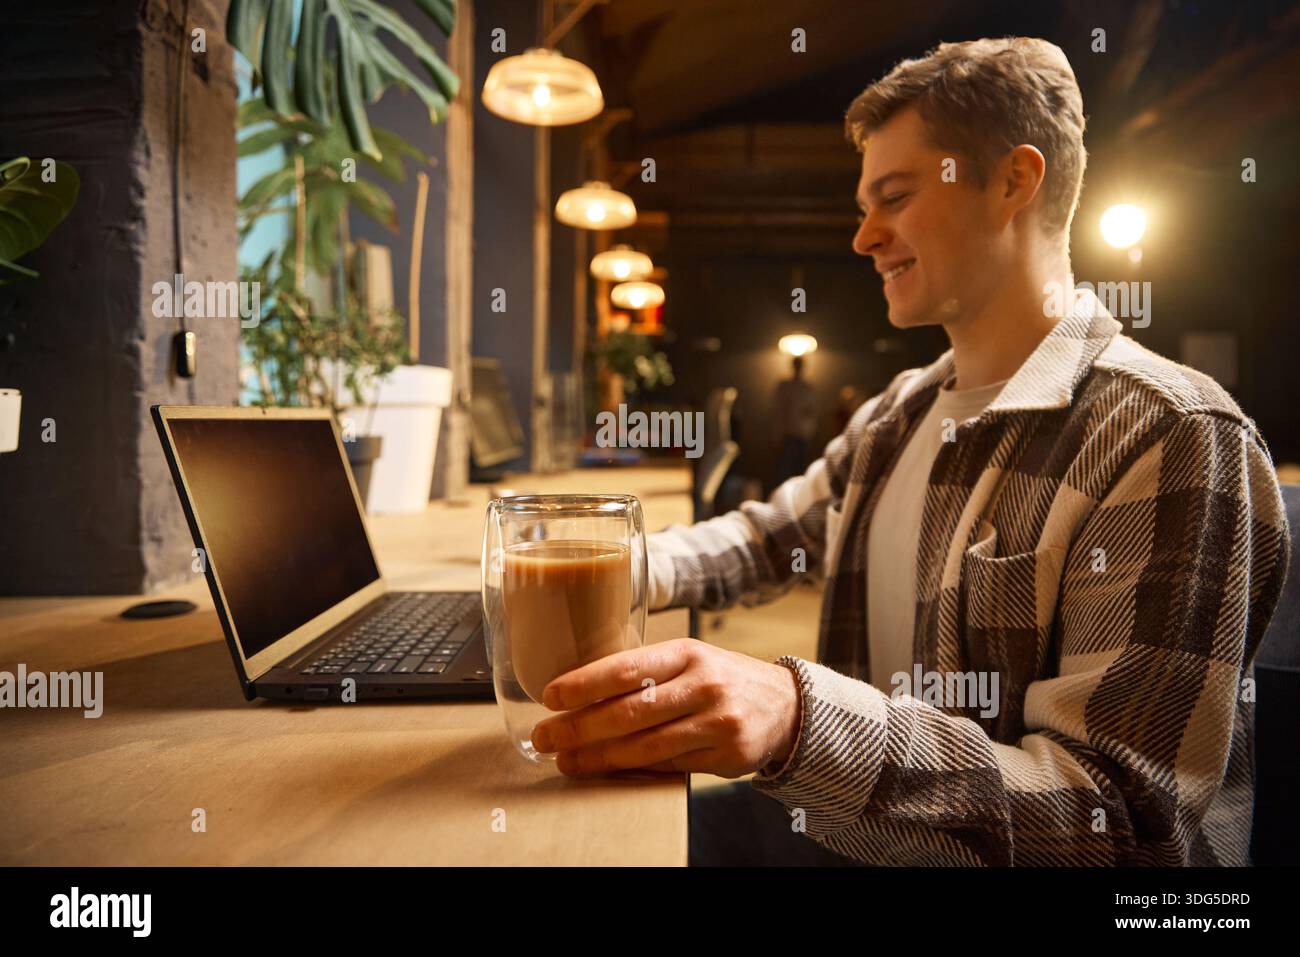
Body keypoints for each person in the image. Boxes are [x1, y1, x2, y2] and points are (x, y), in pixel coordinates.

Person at [527, 37, 1291, 866]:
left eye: (894, 197)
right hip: (856, 829)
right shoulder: (902, 411)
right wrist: (598, 559)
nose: (864, 238)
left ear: (1014, 181)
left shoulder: (1169, 435)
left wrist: (797, 718)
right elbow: (769, 537)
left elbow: (1126, 828)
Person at [771, 355, 818, 486]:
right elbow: (779, 413)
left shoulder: (808, 388)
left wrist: (809, 434)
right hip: (788, 437)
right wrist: (777, 437)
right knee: (785, 475)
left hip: (802, 437)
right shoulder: (785, 387)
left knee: (800, 476)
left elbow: (811, 413)